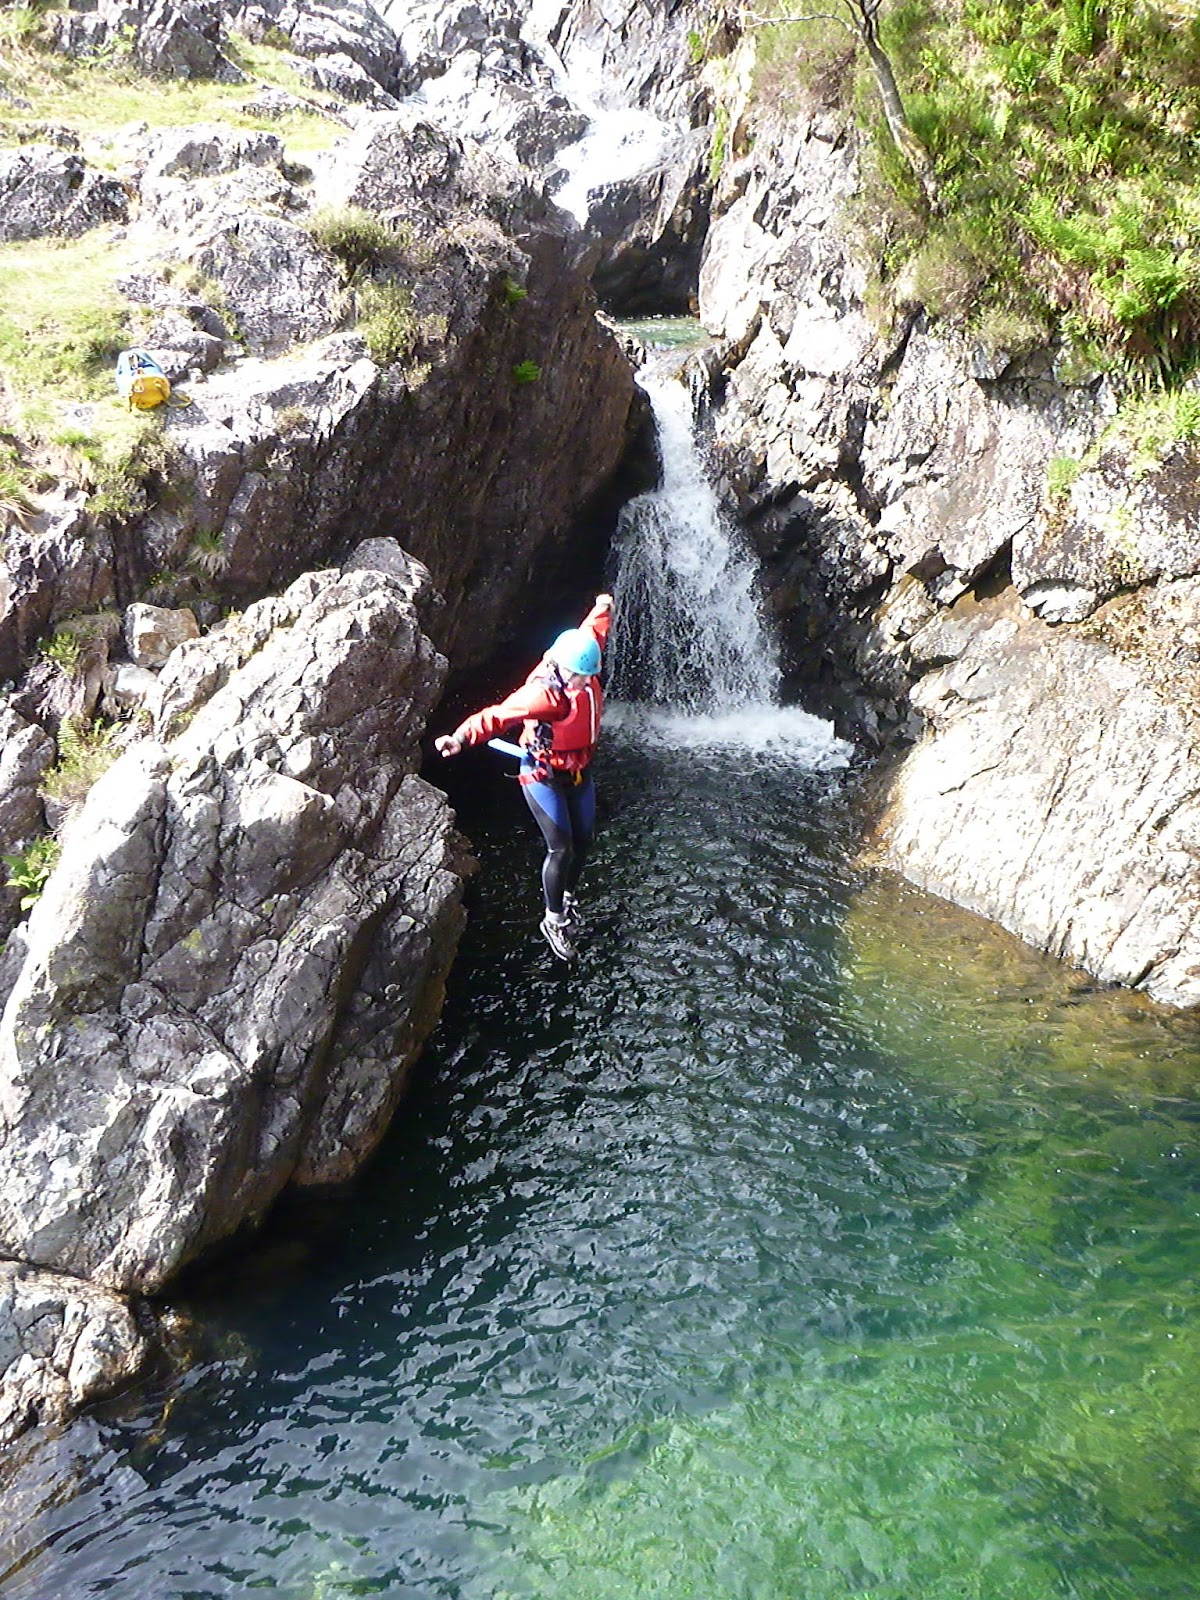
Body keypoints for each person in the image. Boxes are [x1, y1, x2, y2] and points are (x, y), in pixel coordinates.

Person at [435, 594, 613, 960]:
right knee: (560, 847)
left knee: (584, 839)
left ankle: (566, 898)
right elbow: (496, 717)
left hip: (578, 770)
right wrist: (459, 738)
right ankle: (553, 920)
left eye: (587, 678)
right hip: (542, 773)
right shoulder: (544, 696)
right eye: (578, 678)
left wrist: (601, 605)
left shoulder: (584, 659)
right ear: (564, 671)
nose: (583, 684)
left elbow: (593, 629)